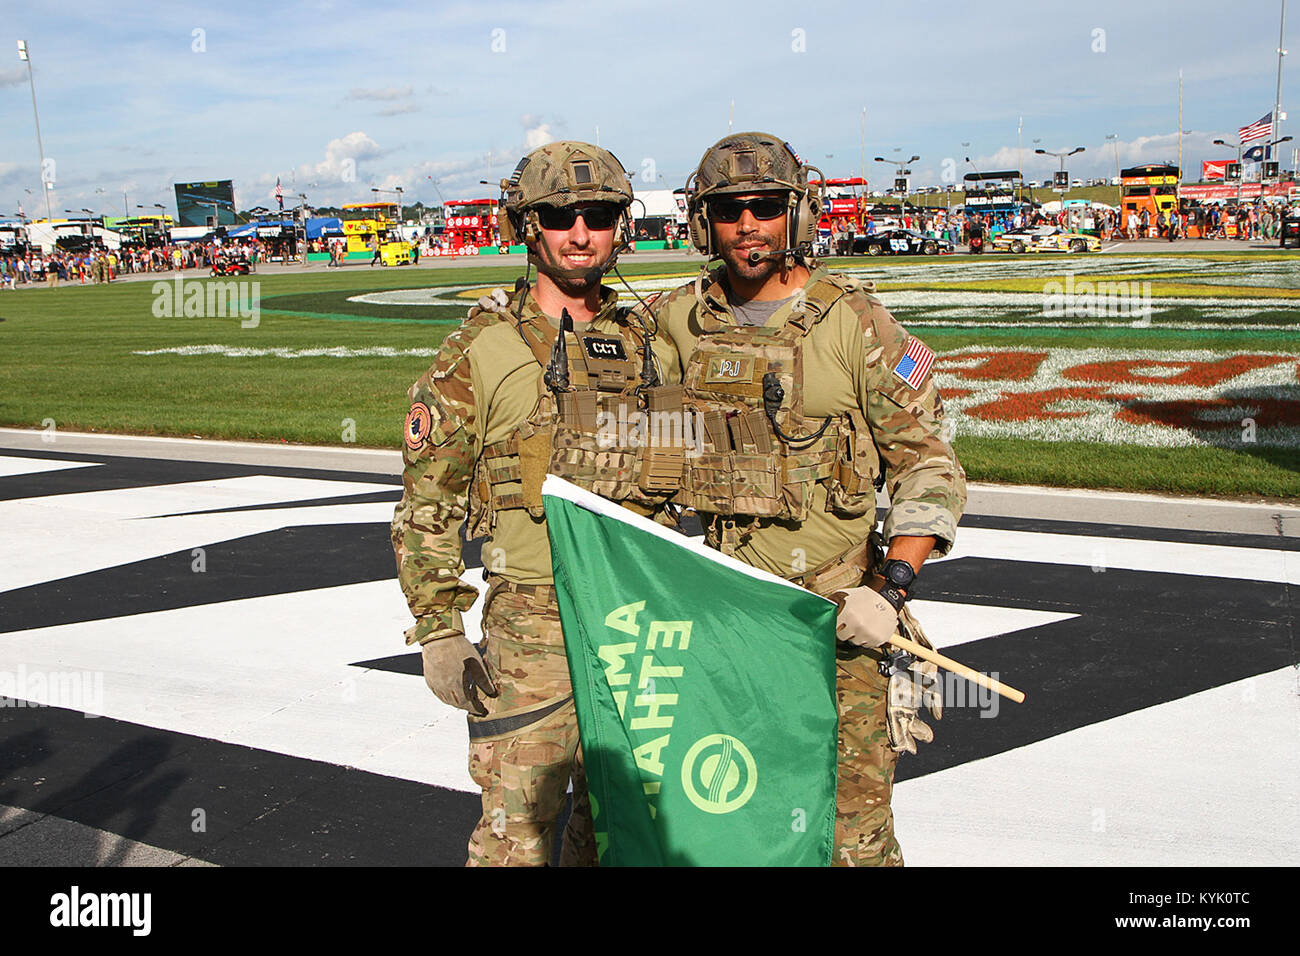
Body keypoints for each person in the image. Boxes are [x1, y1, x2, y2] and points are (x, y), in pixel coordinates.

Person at [650, 132, 967, 866]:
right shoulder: (676, 322)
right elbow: (642, 453)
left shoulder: (856, 325)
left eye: (766, 207)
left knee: (849, 836)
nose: (748, 224)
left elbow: (930, 467)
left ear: (798, 214)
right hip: (726, 625)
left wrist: (889, 589)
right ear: (705, 221)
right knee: (738, 824)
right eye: (730, 209)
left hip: (840, 624)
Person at [391, 141, 681, 866]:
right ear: (527, 226)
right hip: (532, 625)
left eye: (600, 214)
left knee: (621, 832)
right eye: (560, 216)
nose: (581, 233)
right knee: (515, 835)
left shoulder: (654, 343)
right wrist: (439, 626)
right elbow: (429, 500)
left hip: (638, 619)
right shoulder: (479, 348)